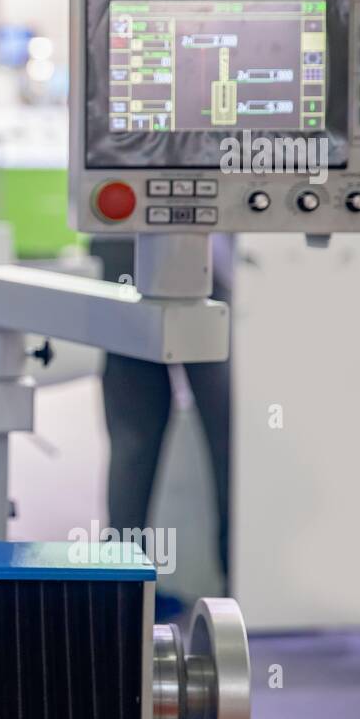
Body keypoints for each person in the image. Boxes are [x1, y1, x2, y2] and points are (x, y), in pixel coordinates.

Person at [93, 235, 234, 592]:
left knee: (228, 437)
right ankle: (122, 593)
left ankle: (121, 593)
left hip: (140, 242)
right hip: (157, 244)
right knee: (138, 439)